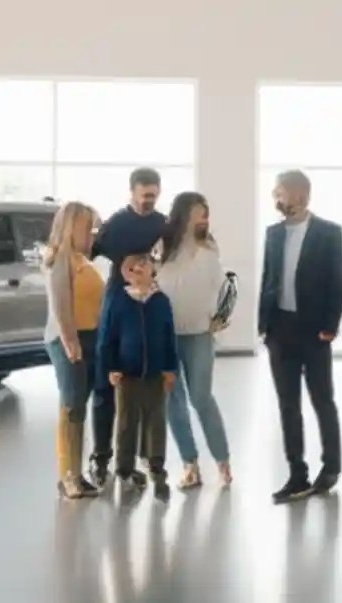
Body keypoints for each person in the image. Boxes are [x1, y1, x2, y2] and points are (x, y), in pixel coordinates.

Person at [258, 170, 342, 504]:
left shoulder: (328, 233)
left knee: (322, 400)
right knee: (287, 404)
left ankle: (331, 468)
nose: (275, 197)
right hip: (279, 330)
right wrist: (263, 326)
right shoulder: (273, 234)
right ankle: (297, 473)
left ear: (299, 194)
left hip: (314, 331)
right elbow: (269, 278)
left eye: (279, 192)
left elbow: (338, 282)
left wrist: (331, 325)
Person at [88, 167, 168, 488]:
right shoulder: (117, 224)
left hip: (146, 309)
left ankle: (131, 462)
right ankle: (100, 458)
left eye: (154, 194)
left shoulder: (163, 225)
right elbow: (87, 251)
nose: (149, 200)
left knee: (138, 390)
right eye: (144, 194)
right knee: (106, 384)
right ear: (132, 192)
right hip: (116, 307)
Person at [155, 192, 233, 489]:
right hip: (166, 334)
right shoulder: (164, 246)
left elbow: (224, 286)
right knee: (173, 402)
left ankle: (222, 460)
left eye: (207, 213)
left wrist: (220, 319)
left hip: (200, 333)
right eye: (201, 212)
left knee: (201, 397)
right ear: (185, 214)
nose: (205, 218)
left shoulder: (209, 246)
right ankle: (190, 465)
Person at [99, 253, 178, 502]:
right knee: (126, 421)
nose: (140, 268)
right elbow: (107, 337)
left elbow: (169, 336)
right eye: (134, 267)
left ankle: (156, 464)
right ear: (127, 273)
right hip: (127, 374)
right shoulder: (119, 301)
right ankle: (124, 468)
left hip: (155, 373)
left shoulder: (161, 301)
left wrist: (170, 367)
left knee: (156, 418)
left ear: (153, 269)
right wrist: (111, 367)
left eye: (145, 264)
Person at [42, 201, 104, 500]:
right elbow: (61, 304)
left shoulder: (84, 260)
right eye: (87, 228)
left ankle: (77, 474)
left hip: (91, 337)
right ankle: (67, 476)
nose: (91, 234)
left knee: (79, 407)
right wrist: (70, 341)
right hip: (69, 339)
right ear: (71, 228)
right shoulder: (61, 260)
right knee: (70, 406)